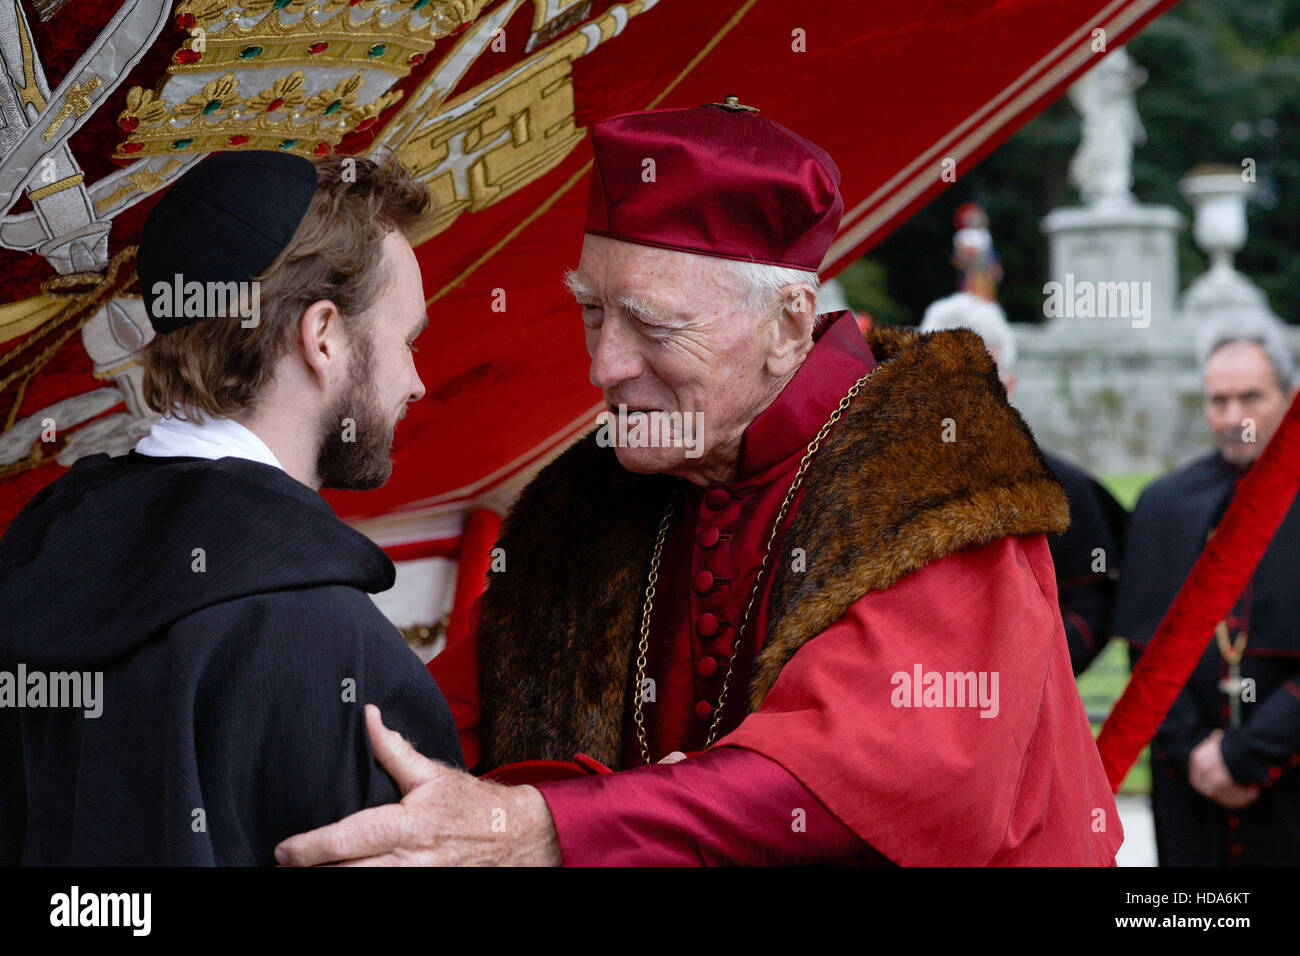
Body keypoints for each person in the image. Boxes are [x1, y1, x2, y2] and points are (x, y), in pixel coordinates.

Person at [276, 99, 1121, 867]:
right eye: (593, 313)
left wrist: (543, 825)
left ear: (788, 325)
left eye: (652, 324)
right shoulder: (595, 494)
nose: (605, 365)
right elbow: (436, 717)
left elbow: (883, 782)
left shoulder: (936, 474)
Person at [0, 151, 462, 865]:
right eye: (408, 340)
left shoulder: (33, 563)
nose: (417, 382)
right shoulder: (333, 648)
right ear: (323, 336)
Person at [1114, 314, 1300, 866]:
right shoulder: (1164, 504)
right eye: (1218, 401)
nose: (1232, 418)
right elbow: (1144, 650)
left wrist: (1247, 754)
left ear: (1289, 398)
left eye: (1251, 398)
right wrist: (1199, 751)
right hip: (1188, 777)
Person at [920, 292, 1128, 675]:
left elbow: (1090, 609)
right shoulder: (882, 484)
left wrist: (1015, 676)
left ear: (1010, 385)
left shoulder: (1062, 486)